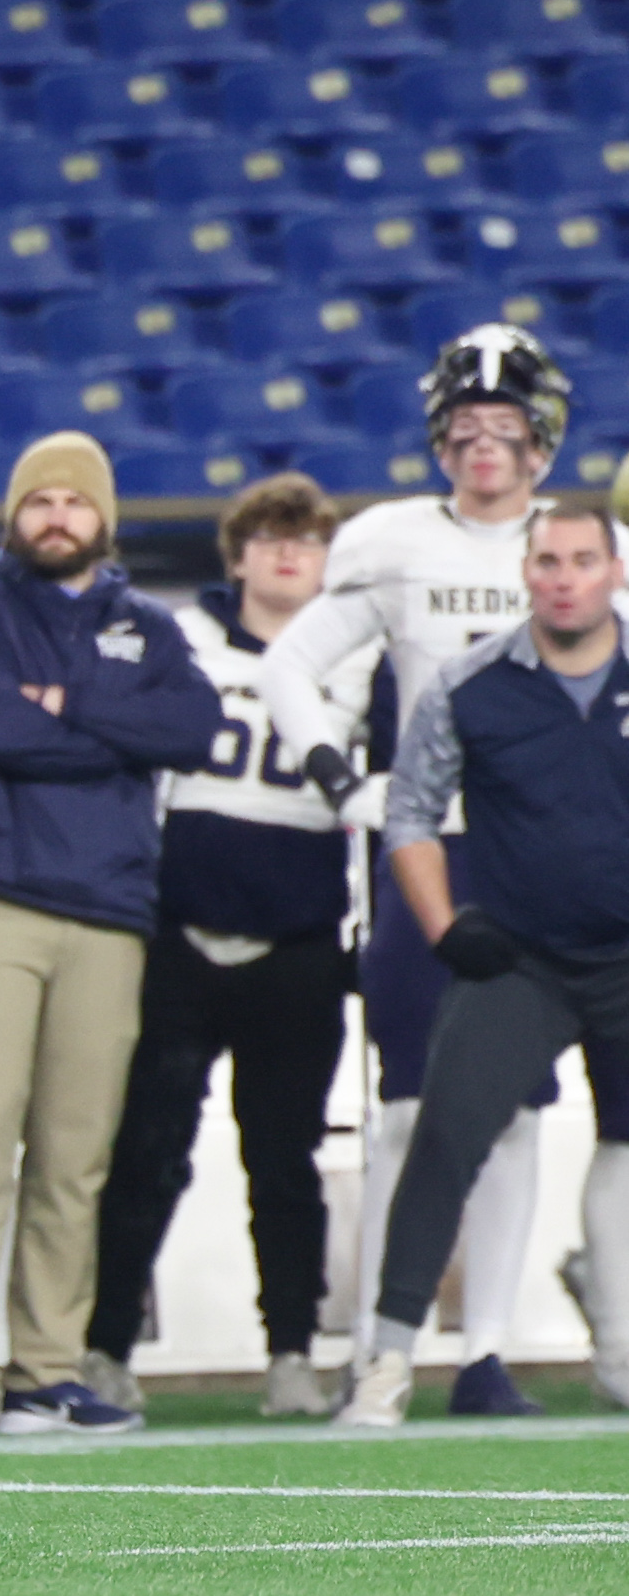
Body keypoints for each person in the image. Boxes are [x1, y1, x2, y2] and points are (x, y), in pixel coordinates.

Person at [258, 324, 590, 1417]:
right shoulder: (395, 539)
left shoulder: (573, 552)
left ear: (541, 441)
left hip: (537, 859)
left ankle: (483, 1350)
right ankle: (380, 1348)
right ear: (436, 440)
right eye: (463, 430)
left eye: (504, 430)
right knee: (406, 1103)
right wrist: (332, 774)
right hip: (425, 849)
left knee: (517, 1109)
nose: (483, 447)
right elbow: (293, 662)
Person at [0, 431, 222, 1438]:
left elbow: (194, 729)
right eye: (40, 500)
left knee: (75, 1155)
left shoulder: (146, 623)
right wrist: (109, 725)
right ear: (15, 511)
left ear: (104, 519)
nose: (56, 517)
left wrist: (65, 704)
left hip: (110, 910)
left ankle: (42, 1368)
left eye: (76, 503)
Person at [83, 475, 368, 1422]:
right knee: (146, 1151)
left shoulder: (360, 662)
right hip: (181, 930)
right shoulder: (186, 644)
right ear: (236, 553)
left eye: (308, 539)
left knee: (285, 1162)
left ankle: (291, 1351)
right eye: (271, 538)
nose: (290, 554)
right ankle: (107, 1346)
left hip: (299, 939)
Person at [343, 505, 629, 1425]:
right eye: (548, 560)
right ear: (526, 571)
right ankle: (386, 1362)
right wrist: (442, 924)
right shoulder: (469, 683)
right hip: (519, 960)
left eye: (584, 560)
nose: (564, 576)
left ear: (614, 572)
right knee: (444, 1140)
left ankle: (620, 1355)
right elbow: (412, 812)